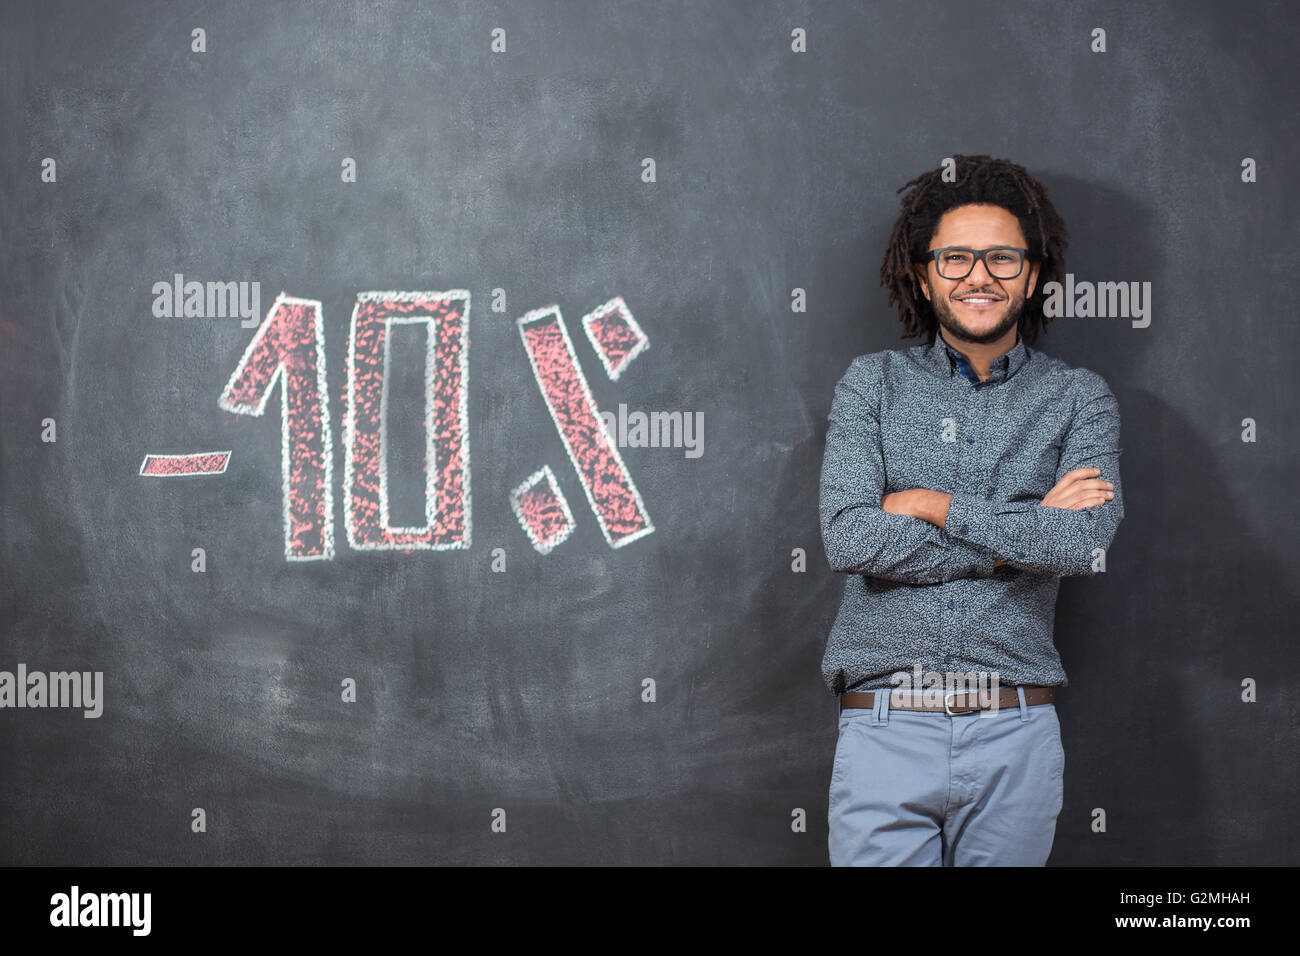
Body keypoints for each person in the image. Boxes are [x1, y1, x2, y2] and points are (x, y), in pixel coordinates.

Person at [818, 155, 1125, 866]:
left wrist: (929, 505)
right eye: (956, 258)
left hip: (1016, 733)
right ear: (924, 275)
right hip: (885, 728)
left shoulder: (1080, 399)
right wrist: (1022, 529)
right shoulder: (872, 386)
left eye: (1001, 258)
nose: (978, 275)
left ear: (1033, 273)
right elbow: (850, 537)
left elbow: (1083, 545)